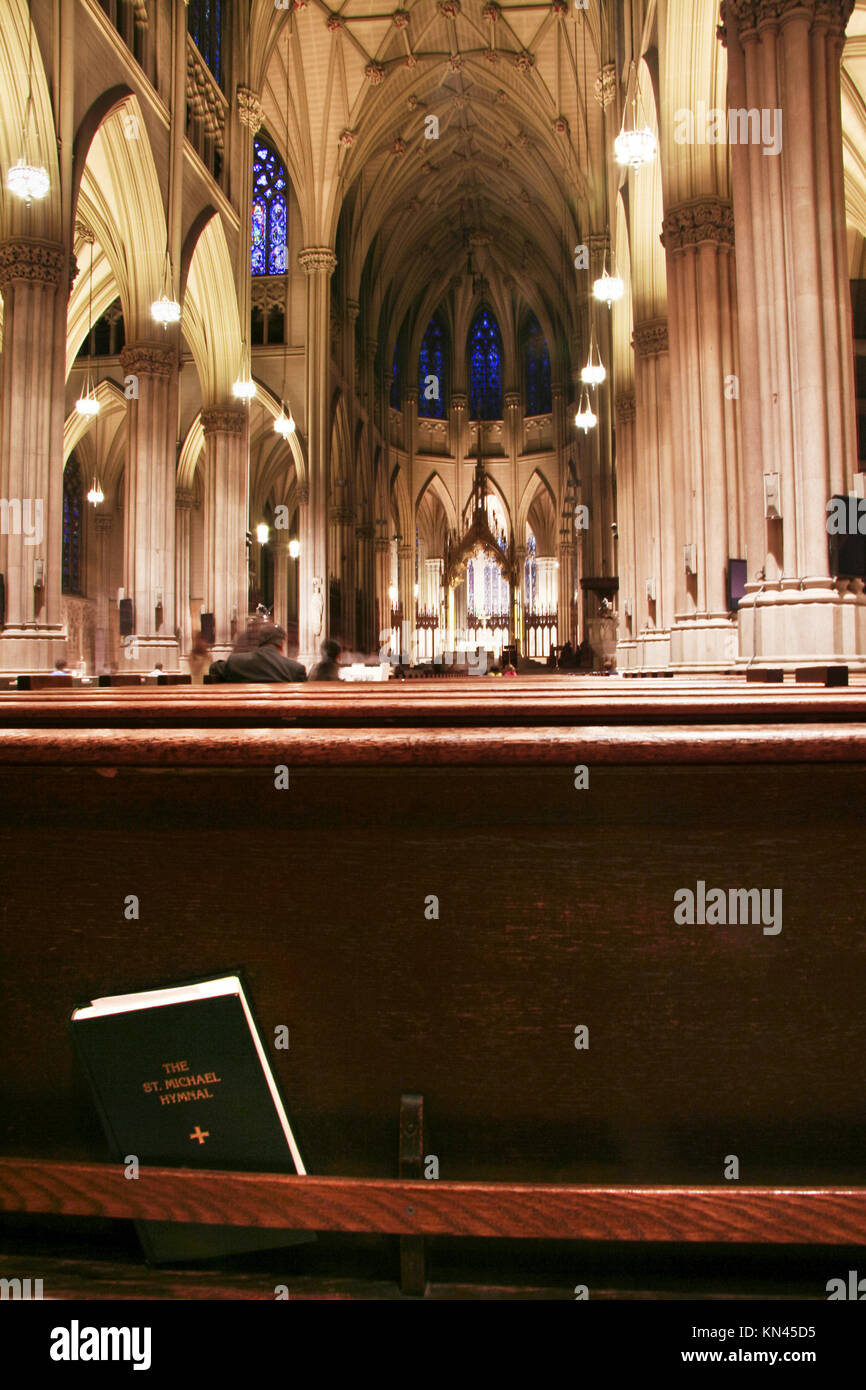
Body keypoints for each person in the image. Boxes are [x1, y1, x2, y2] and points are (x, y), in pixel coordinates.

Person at [208, 623, 306, 683]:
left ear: (259, 642)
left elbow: (214, 668)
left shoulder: (236, 662)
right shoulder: (295, 670)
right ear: (282, 645)